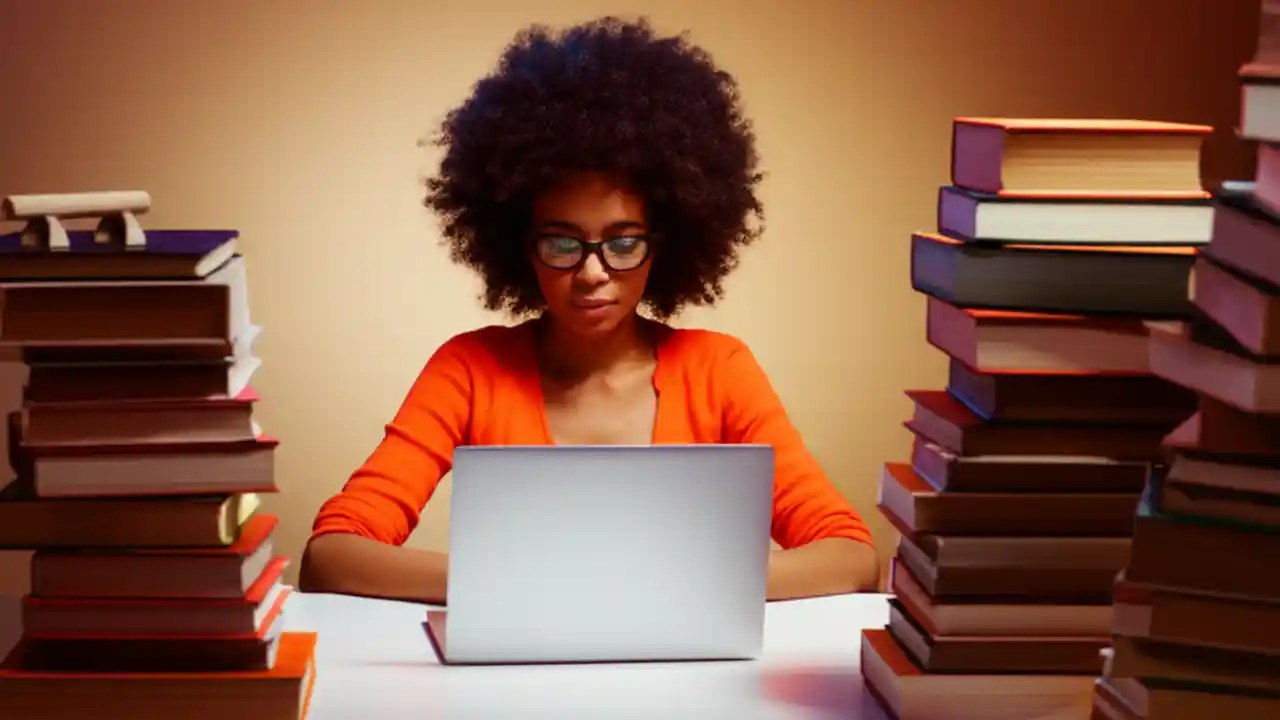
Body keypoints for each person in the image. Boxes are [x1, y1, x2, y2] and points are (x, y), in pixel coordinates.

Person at [299, 16, 878, 604]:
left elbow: (851, 556)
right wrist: (518, 588)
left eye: (623, 243)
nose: (593, 272)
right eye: (563, 242)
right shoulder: (471, 370)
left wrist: (681, 589)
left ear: (665, 243)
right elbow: (331, 555)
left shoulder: (718, 371)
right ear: (521, 245)